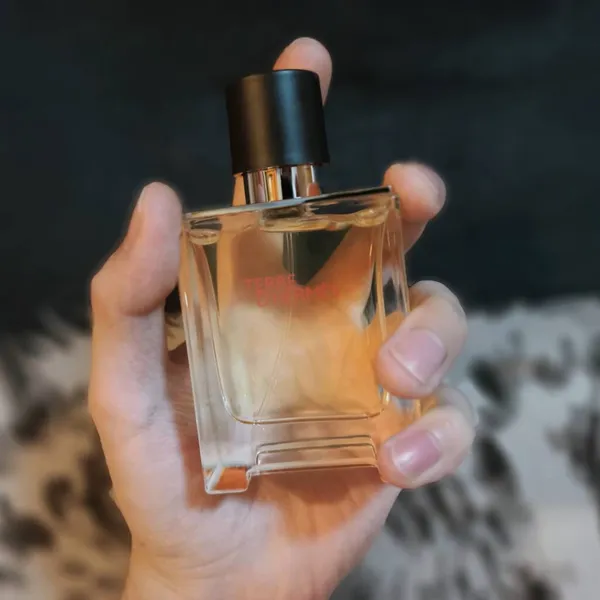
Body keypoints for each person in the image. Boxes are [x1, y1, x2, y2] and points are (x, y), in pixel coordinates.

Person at [88, 38, 476, 600]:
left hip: (306, 486)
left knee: (405, 344)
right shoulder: (210, 237)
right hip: (215, 511)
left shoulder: (368, 218)